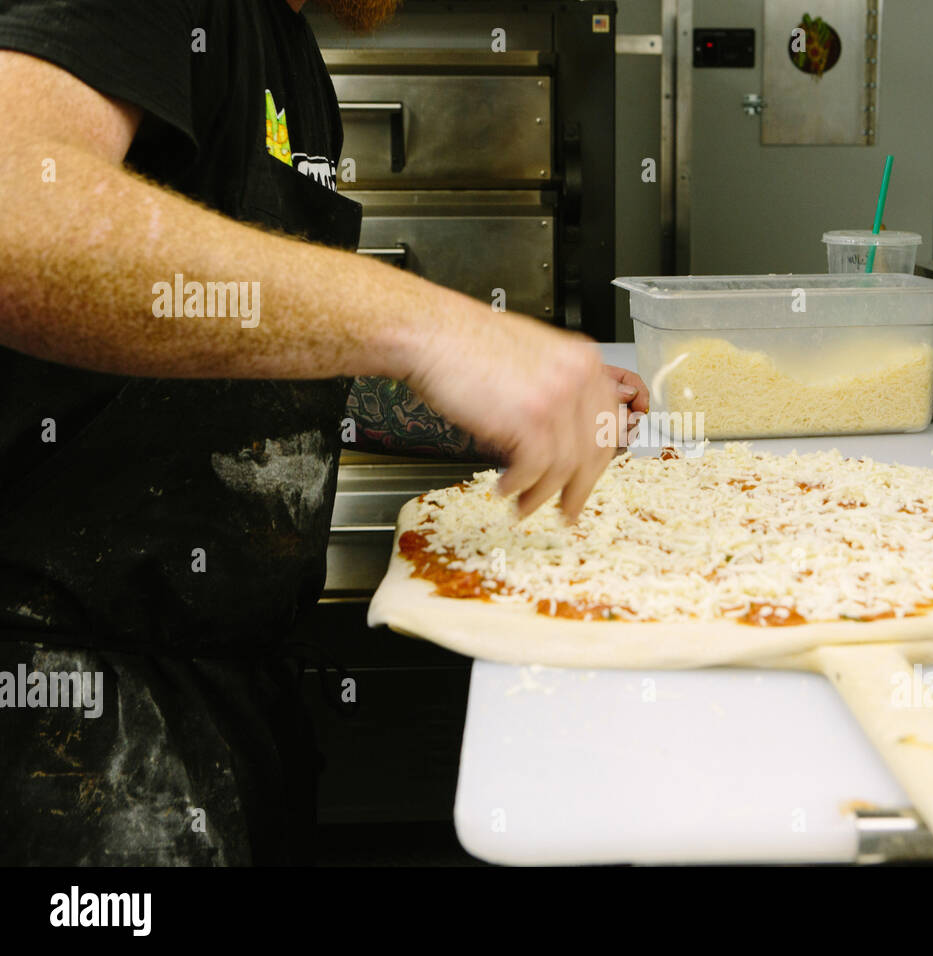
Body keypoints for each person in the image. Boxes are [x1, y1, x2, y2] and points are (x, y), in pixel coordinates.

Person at [0, 0, 648, 864]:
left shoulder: (287, 44)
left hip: (228, 686)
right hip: (64, 719)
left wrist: (494, 401)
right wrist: (437, 328)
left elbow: (264, 358)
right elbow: (17, 210)